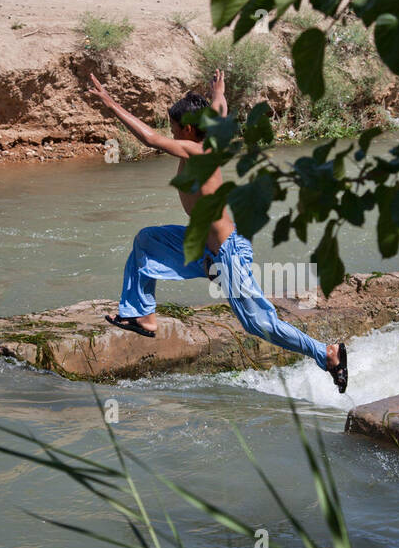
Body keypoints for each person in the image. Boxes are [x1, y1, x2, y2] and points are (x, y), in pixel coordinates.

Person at [87, 69, 349, 393]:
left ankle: (326, 353)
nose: (169, 134)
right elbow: (220, 110)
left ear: (187, 129)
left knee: (258, 324)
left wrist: (110, 104)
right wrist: (218, 92)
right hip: (202, 248)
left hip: (227, 255)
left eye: (172, 129)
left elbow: (150, 139)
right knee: (147, 240)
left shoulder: (199, 151)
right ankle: (142, 316)